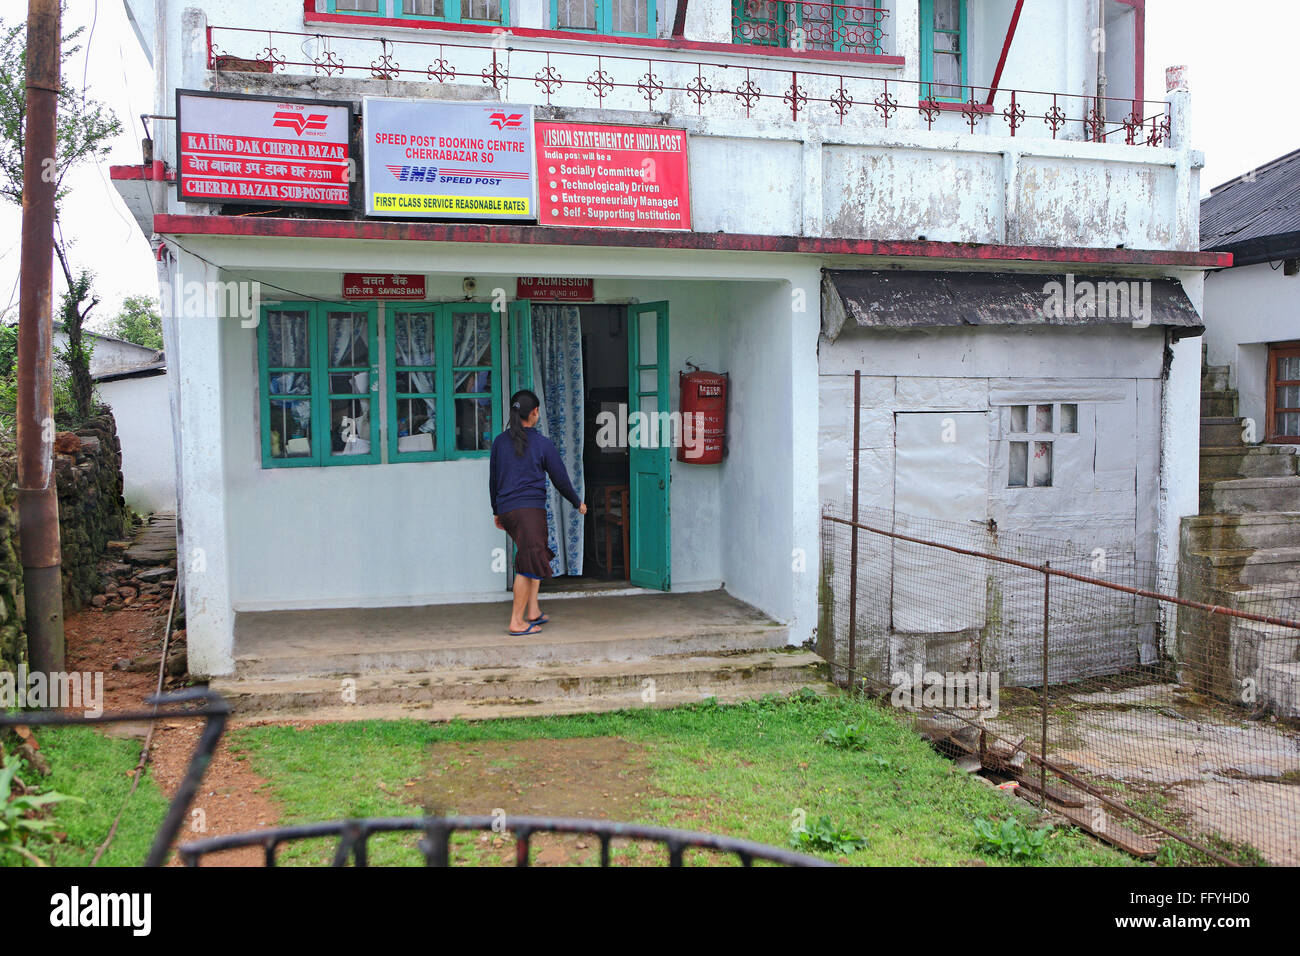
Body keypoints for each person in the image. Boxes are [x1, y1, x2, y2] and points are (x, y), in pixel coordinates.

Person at [489, 389, 587, 635]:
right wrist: (577, 502)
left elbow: (493, 480)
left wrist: (496, 511)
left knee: (536, 553)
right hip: (528, 510)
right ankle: (517, 622)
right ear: (534, 413)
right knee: (528, 561)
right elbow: (560, 479)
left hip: (508, 510)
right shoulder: (541, 443)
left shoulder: (500, 442)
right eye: (537, 411)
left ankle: (533, 610)